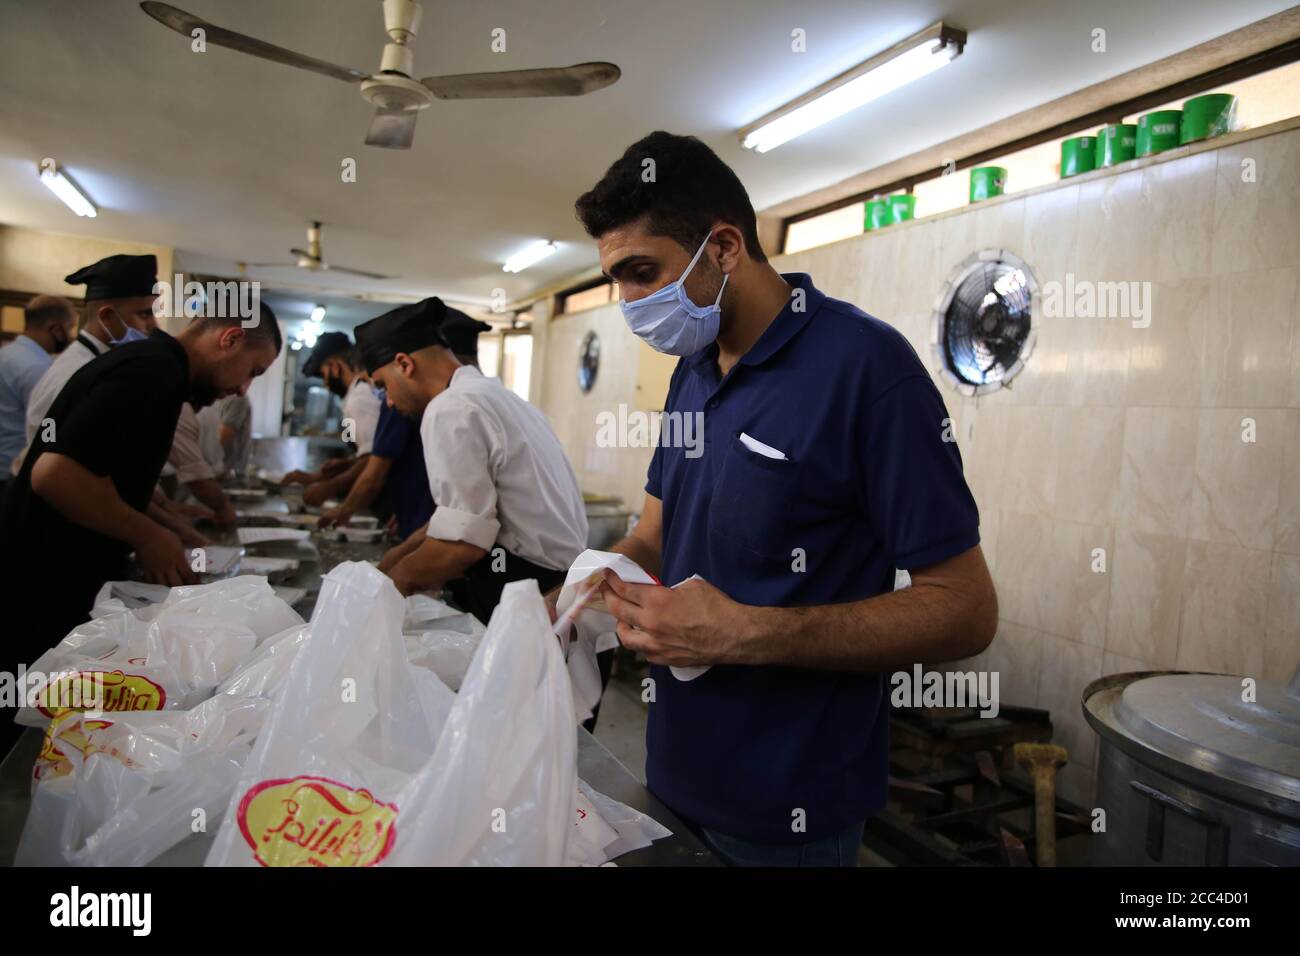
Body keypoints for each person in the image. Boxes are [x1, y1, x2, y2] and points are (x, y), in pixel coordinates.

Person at [570, 132, 997, 867]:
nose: (630, 304)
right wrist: (579, 592)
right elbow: (653, 536)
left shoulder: (865, 369)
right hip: (671, 769)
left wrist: (744, 633)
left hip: (790, 803)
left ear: (726, 247)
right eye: (617, 281)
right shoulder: (692, 373)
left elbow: (965, 608)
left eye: (643, 273)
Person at [0, 303, 282, 757]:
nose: (242, 388)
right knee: (24, 730)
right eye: (253, 371)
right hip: (39, 583)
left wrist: (171, 526)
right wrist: (148, 537)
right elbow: (56, 475)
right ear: (229, 339)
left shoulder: (158, 371)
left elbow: (107, 474)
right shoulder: (152, 374)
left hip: (58, 579)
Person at [356, 297, 587, 623]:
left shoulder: (450, 407)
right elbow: (462, 516)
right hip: (562, 590)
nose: (389, 402)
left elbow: (463, 545)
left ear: (404, 364)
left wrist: (381, 593)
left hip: (528, 596)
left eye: (383, 386)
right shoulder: (501, 397)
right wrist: (396, 557)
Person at [21, 255, 160, 466]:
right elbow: (54, 459)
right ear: (107, 317)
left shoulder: (101, 363)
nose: (154, 326)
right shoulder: (77, 372)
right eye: (144, 314)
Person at [284, 332, 381, 506]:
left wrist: (328, 487)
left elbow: (373, 459)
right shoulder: (352, 398)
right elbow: (366, 454)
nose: (325, 384)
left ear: (335, 365)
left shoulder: (359, 399)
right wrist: (340, 466)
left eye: (323, 374)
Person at [0, 296, 76, 481]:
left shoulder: (6, 353)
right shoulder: (37, 368)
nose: (72, 335)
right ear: (56, 329)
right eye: (71, 327)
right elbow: (47, 426)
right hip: (13, 468)